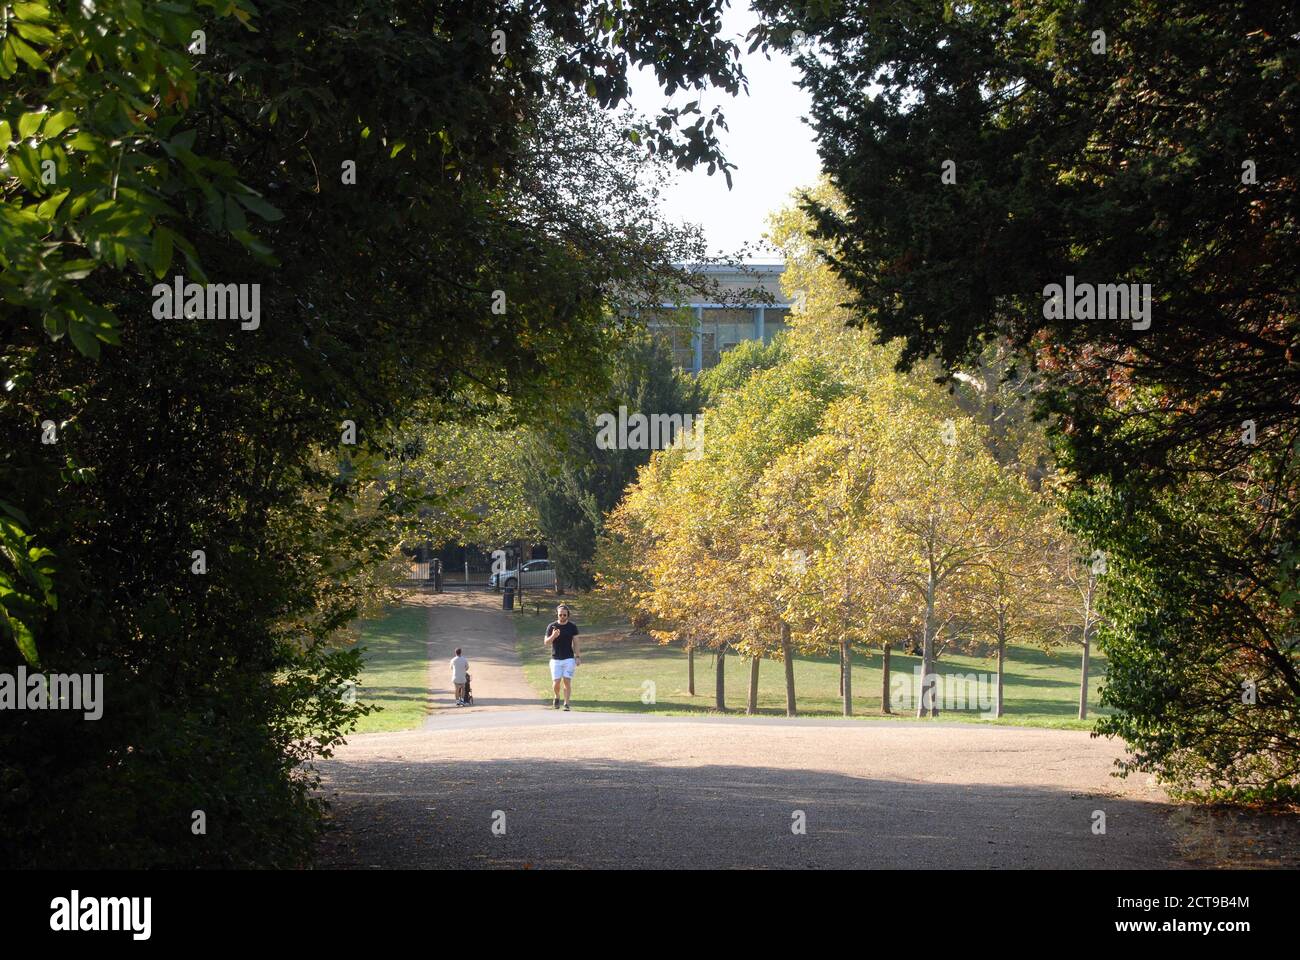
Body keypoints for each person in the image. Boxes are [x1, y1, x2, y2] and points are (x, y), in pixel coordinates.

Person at [544, 604, 580, 711]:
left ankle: (566, 703)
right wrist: (553, 636)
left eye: (564, 615)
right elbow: (546, 643)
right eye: (560, 615)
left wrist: (577, 656)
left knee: (567, 681)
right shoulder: (552, 626)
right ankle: (557, 696)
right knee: (556, 683)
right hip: (555, 659)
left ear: (568, 615)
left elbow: (576, 643)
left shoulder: (572, 627)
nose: (562, 616)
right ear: (557, 615)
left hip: (569, 658)